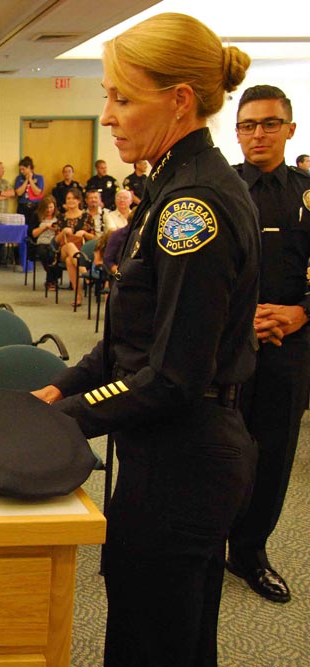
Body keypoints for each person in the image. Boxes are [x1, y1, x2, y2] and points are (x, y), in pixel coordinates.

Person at [32, 13, 258, 667]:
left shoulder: (195, 209)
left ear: (180, 99)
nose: (107, 114)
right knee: (165, 631)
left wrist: (65, 420)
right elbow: (126, 341)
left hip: (184, 459)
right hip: (165, 448)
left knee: (154, 642)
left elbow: (171, 376)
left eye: (121, 97)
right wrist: (61, 386)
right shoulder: (174, 186)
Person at [227, 84, 310, 605]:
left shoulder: (307, 193)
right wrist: (241, 321)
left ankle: (251, 553)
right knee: (222, 449)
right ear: (236, 132)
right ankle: (211, 543)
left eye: (269, 124)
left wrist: (302, 311)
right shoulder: (220, 189)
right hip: (227, 345)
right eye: (248, 125)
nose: (258, 134)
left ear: (290, 129)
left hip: (291, 344)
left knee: (275, 454)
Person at [30, 196, 62, 288]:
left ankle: (51, 279)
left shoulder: (59, 216)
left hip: (55, 241)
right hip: (41, 242)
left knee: (54, 253)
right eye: (46, 208)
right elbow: (33, 234)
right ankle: (52, 278)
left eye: (51, 207)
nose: (49, 210)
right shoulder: (36, 216)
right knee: (43, 252)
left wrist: (56, 229)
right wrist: (45, 227)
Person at [15, 156, 44, 232]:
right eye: (20, 169)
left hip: (35, 206)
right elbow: (19, 193)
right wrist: (26, 180)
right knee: (22, 230)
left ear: (29, 167)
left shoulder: (39, 178)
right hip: (23, 207)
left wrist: (30, 180)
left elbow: (37, 192)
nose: (21, 171)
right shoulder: (19, 178)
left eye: (23, 169)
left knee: (34, 228)